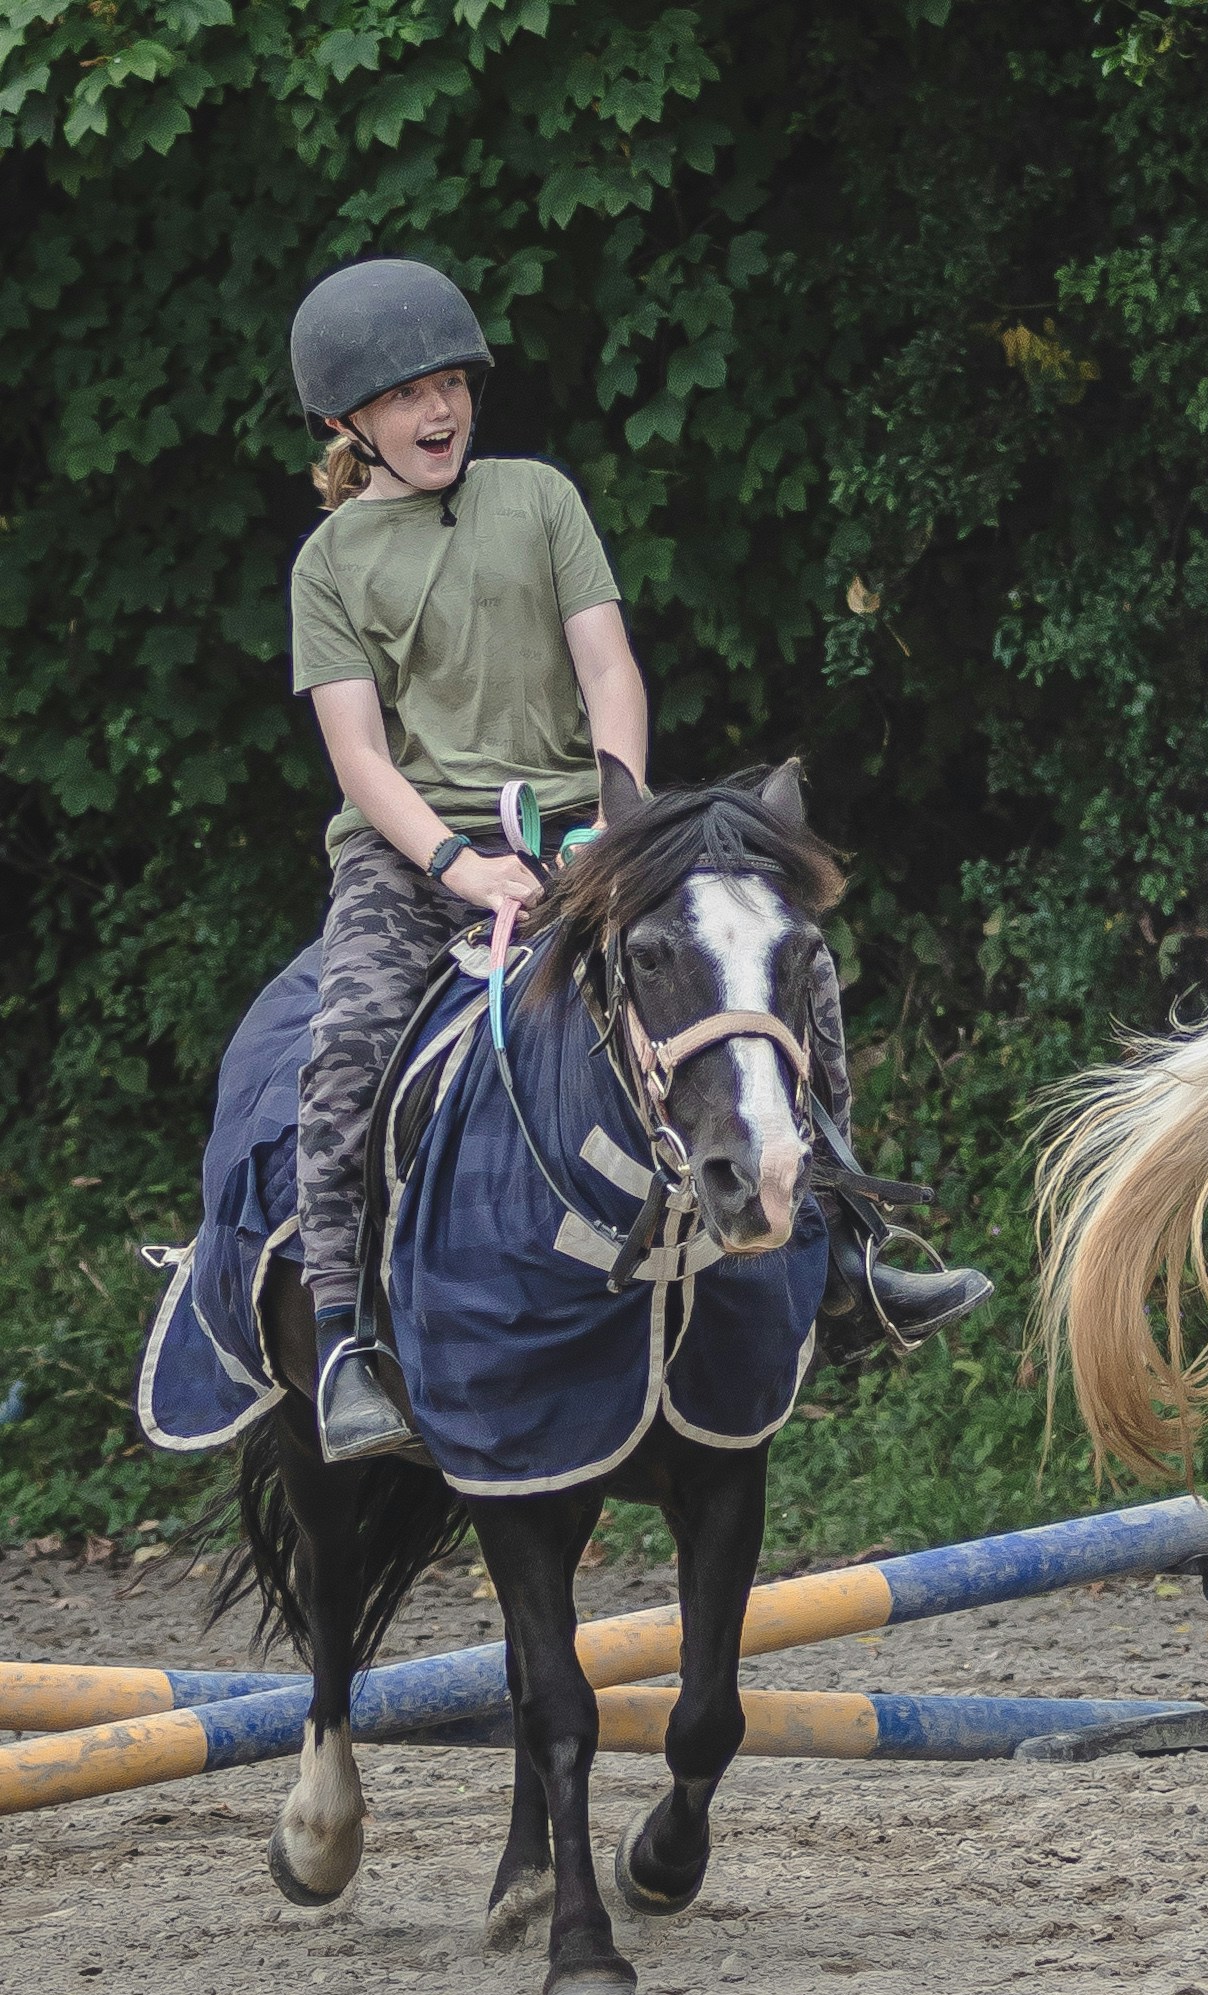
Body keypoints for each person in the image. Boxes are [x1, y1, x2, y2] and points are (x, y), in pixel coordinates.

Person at [284, 258, 987, 1459]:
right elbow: (358, 753)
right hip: (412, 858)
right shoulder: (328, 565)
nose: (439, 409)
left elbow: (609, 667)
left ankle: (846, 1249)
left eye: (451, 384)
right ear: (350, 421)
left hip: (588, 826)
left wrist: (620, 818)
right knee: (346, 1045)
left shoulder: (539, 498)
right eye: (406, 396)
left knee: (784, 957)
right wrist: (459, 865)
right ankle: (346, 1335)